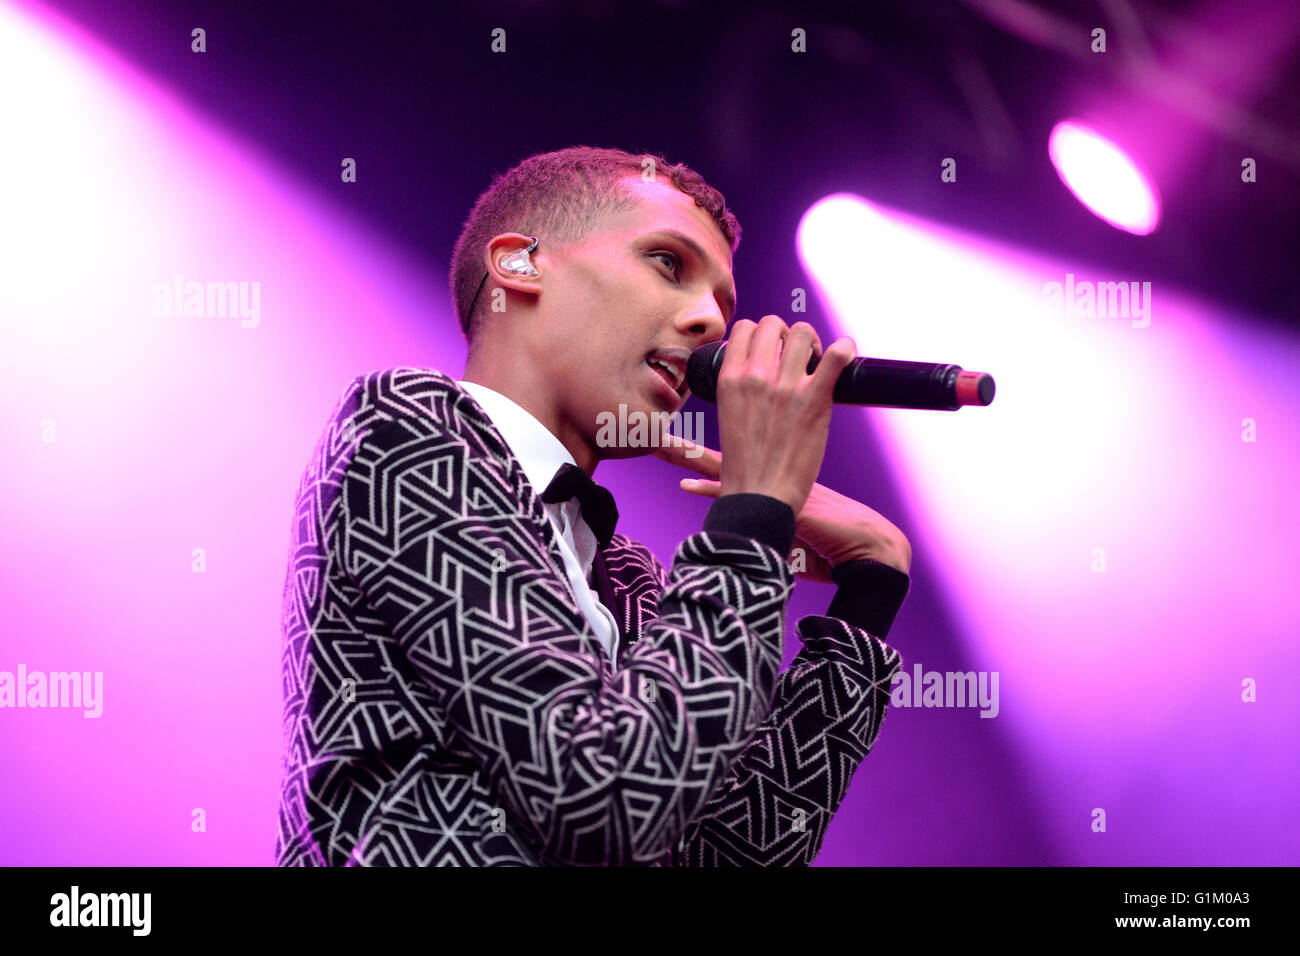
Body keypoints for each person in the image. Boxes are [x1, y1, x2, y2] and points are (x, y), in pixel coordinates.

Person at [276, 145, 911, 866]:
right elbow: (606, 798)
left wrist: (870, 588)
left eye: (724, 304)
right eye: (669, 264)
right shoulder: (403, 425)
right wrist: (756, 510)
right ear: (519, 265)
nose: (710, 321)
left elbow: (733, 858)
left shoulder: (629, 578)